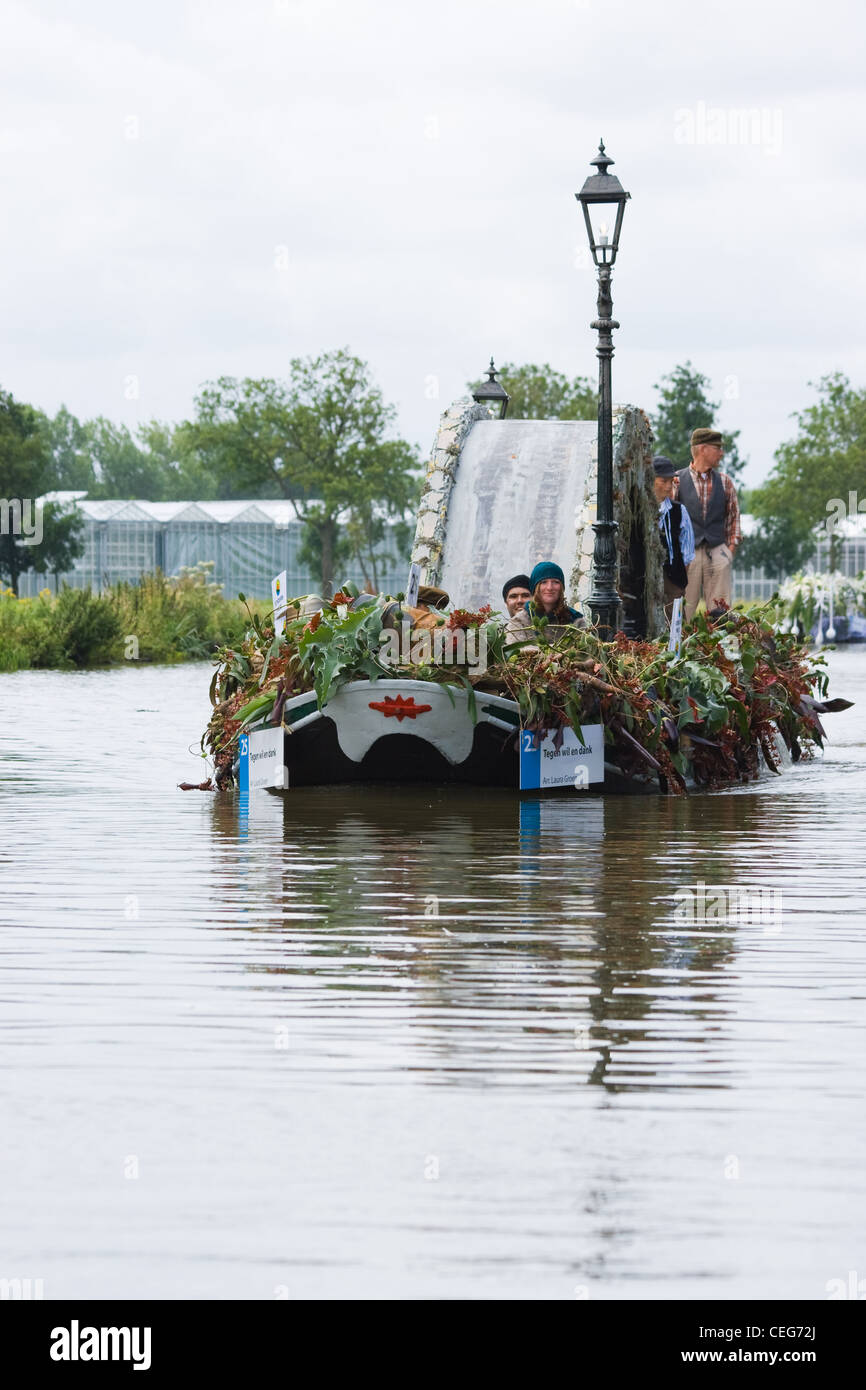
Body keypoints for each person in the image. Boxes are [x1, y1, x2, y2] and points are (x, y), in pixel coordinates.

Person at [674, 427, 741, 621]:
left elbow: (734, 518)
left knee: (721, 614)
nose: (722, 453)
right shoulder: (677, 480)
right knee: (682, 610)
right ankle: (680, 649)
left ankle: (720, 650)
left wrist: (729, 551)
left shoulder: (725, 482)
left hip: (718, 552)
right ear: (703, 449)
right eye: (717, 448)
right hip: (687, 556)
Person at [653, 455, 695, 622]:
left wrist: (679, 580)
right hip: (644, 580)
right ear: (651, 480)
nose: (668, 486)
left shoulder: (679, 511)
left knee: (676, 625)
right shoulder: (639, 511)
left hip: (673, 578)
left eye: (671, 481)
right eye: (663, 481)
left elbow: (687, 551)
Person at [505, 561, 585, 646]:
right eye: (543, 582)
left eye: (556, 582)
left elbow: (585, 653)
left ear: (562, 588)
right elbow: (516, 652)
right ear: (535, 588)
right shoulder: (519, 622)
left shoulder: (576, 621)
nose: (550, 587)